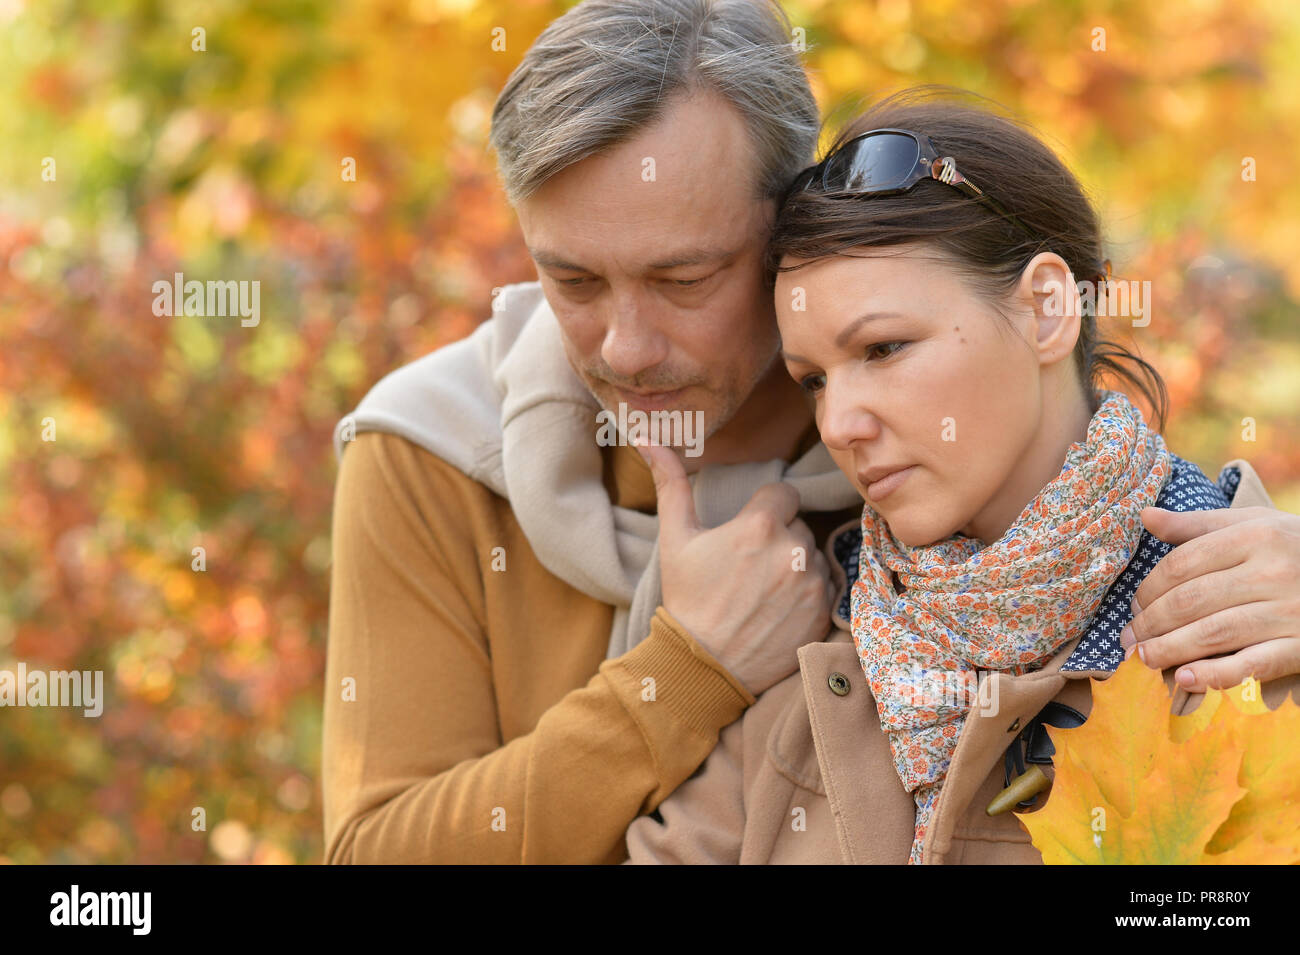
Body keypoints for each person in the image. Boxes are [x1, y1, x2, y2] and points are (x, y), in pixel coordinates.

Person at [322, 0, 1300, 864]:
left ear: (784, 242)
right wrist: (684, 675)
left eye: (684, 278)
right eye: (570, 280)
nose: (623, 344)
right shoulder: (429, 452)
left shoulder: (948, 488)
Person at [624, 88, 1300, 865]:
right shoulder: (811, 648)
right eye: (814, 379)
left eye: (882, 349)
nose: (839, 423)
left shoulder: (1252, 657)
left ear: (1047, 309)